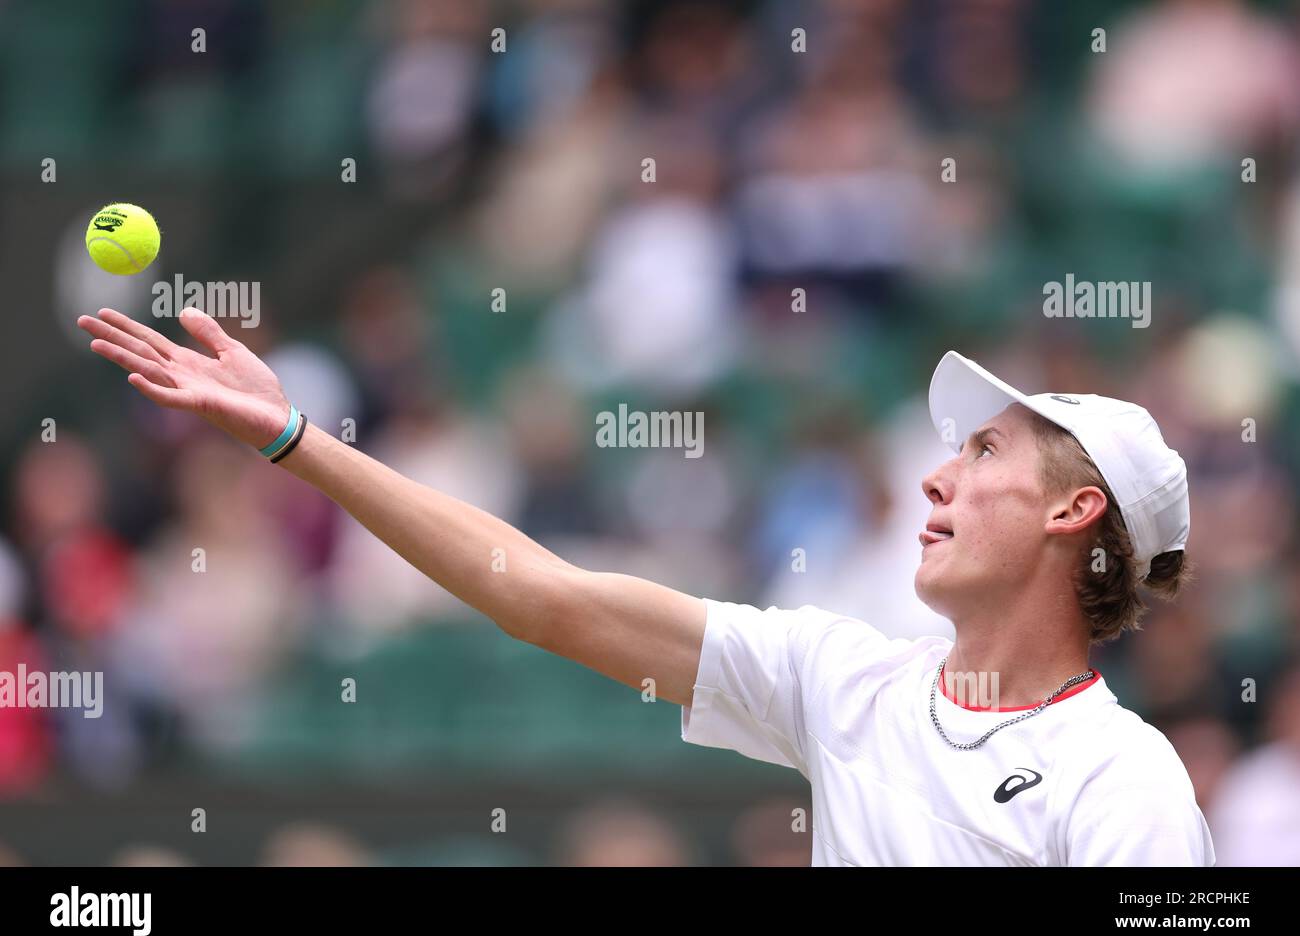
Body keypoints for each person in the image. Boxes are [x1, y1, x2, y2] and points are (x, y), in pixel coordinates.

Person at [77, 306, 1214, 866]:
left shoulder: (1126, 779)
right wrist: (292, 437)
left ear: (1074, 513)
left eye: (983, 455)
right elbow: (542, 593)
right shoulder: (838, 679)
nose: (935, 473)